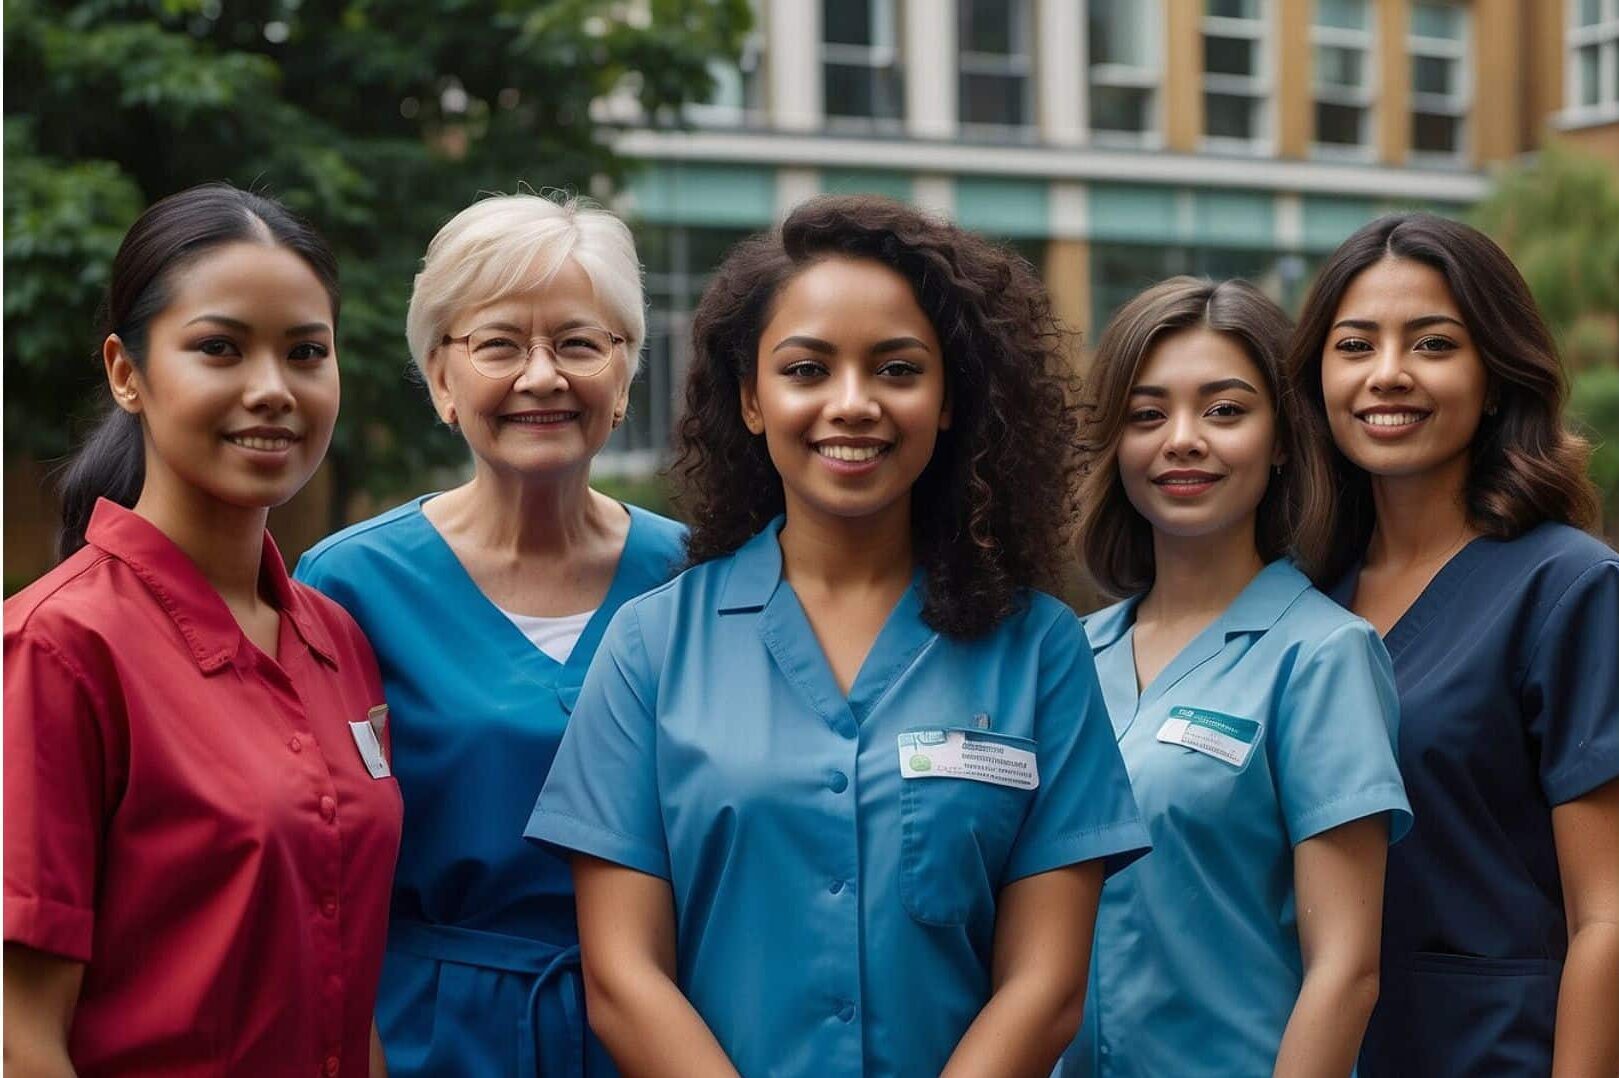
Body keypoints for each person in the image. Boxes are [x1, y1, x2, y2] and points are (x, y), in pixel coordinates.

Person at [525, 195, 1149, 1077]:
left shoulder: (1039, 650)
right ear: (751, 398)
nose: (851, 405)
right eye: (807, 370)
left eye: (896, 370)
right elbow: (624, 977)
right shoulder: (652, 646)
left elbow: (1044, 986)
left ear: (948, 402)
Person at [3, 183, 402, 1076]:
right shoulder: (58, 649)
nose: (272, 391)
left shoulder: (336, 638)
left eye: (306, 352)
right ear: (125, 373)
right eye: (220, 349)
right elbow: (18, 1039)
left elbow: (348, 985)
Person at [295, 192, 685, 1077]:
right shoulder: (347, 585)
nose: (541, 376)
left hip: (669, 1033)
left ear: (624, 377)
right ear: (441, 377)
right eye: (499, 344)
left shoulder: (699, 581)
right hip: (428, 1037)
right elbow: (312, 869)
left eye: (580, 344)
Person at [1288, 212, 1619, 1077]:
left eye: (1432, 345)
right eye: (1354, 346)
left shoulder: (1567, 587)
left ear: (1497, 377)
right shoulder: (1299, 599)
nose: (1387, 376)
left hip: (1491, 1053)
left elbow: (1607, 918)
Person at [1062, 277, 1412, 1077]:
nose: (1182, 440)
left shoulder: (1322, 657)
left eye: (1224, 411)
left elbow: (1346, 973)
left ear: (1282, 438)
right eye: (1147, 415)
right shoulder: (1069, 657)